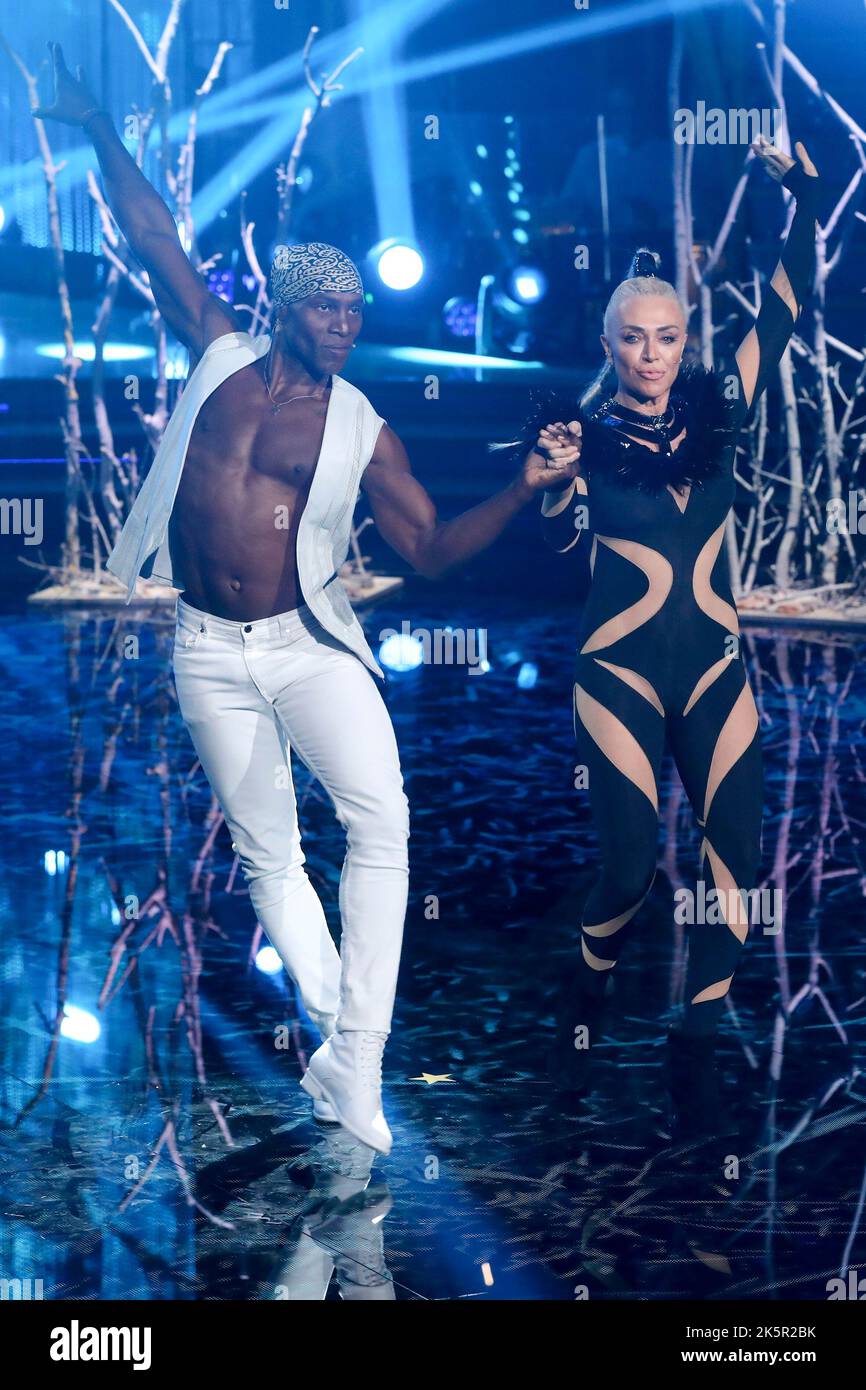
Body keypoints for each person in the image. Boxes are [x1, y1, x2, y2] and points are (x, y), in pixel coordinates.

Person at [34, 42, 560, 1156]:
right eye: (328, 307)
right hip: (206, 649)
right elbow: (149, 232)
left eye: (356, 310)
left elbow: (425, 552)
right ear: (285, 304)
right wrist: (90, 122)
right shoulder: (219, 358)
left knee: (382, 826)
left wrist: (518, 486)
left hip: (309, 644)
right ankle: (337, 1045)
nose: (346, 323)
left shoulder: (363, 426)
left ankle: (354, 1059)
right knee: (269, 853)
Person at [523, 136, 822, 1142]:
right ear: (607, 344)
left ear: (682, 335)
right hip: (616, 673)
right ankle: (586, 990)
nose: (648, 354)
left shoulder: (723, 401)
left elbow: (788, 295)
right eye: (629, 340)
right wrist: (552, 481)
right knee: (626, 868)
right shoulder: (578, 434)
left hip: (714, 667)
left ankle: (699, 1022)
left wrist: (804, 191)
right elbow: (549, 530)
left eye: (663, 337)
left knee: (734, 847)